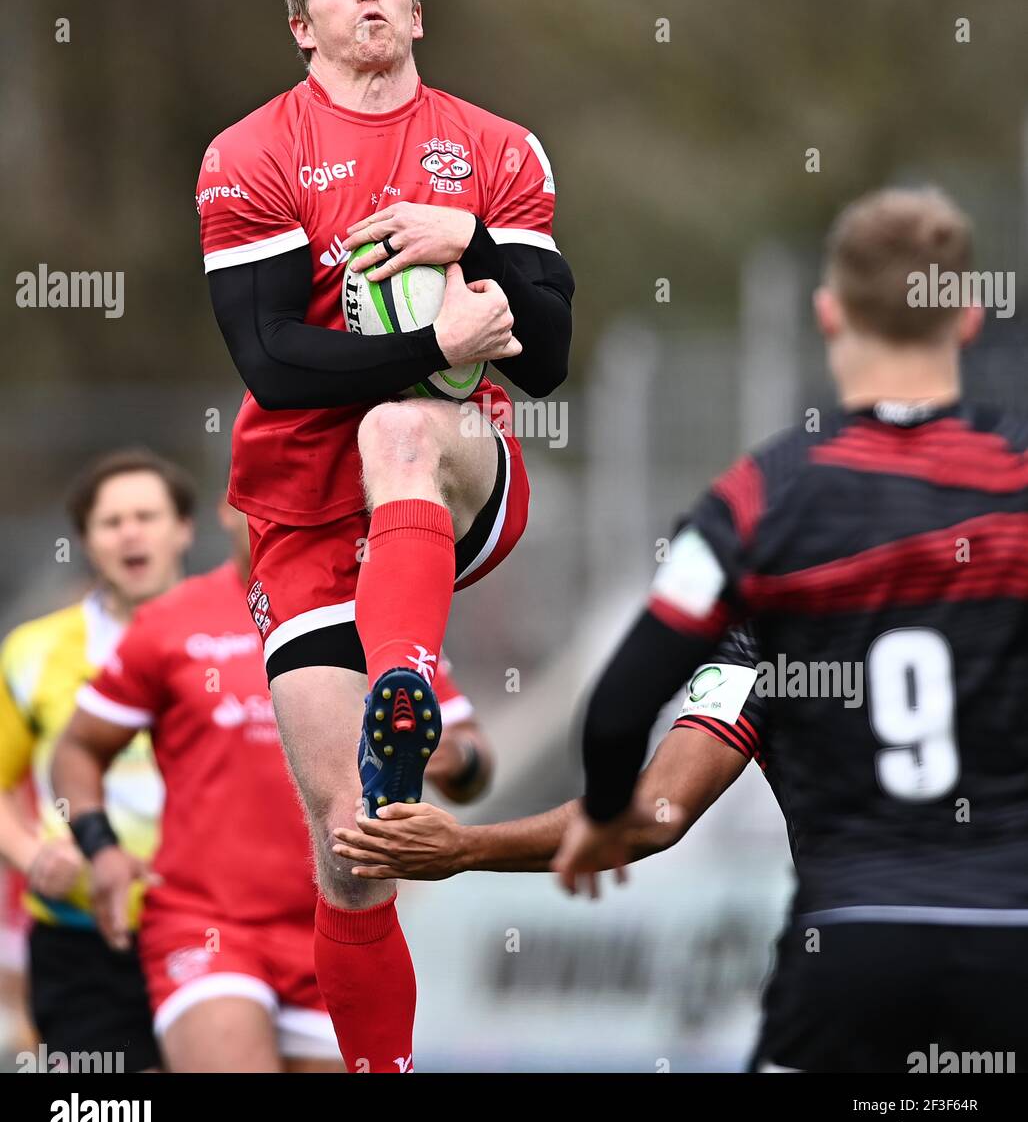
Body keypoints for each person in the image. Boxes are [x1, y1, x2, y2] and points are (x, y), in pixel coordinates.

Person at [338, 188, 1028, 1072]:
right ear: (969, 319)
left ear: (827, 314)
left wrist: (526, 832)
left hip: (851, 956)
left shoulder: (763, 506)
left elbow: (644, 769)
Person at [199, 0, 572, 1071]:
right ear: (301, 22)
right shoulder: (249, 153)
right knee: (355, 842)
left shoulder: (498, 147)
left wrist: (470, 236)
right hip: (300, 512)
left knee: (403, 430)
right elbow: (270, 360)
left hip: (457, 472)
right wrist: (434, 335)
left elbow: (550, 353)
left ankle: (403, 675)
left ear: (416, 7)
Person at [52, 499, 495, 1072]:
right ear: (227, 511)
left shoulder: (373, 615)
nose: (283, 521)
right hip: (207, 925)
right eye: (265, 507)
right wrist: (101, 849)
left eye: (303, 508)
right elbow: (78, 748)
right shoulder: (171, 620)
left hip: (344, 920)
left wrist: (446, 759)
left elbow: (477, 766)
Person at [0, 449, 195, 1072]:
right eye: (111, 522)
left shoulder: (242, 637)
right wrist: (34, 858)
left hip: (213, 931)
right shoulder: (34, 650)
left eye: (147, 515)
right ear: (86, 541)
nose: (131, 532)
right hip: (79, 937)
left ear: (183, 529)